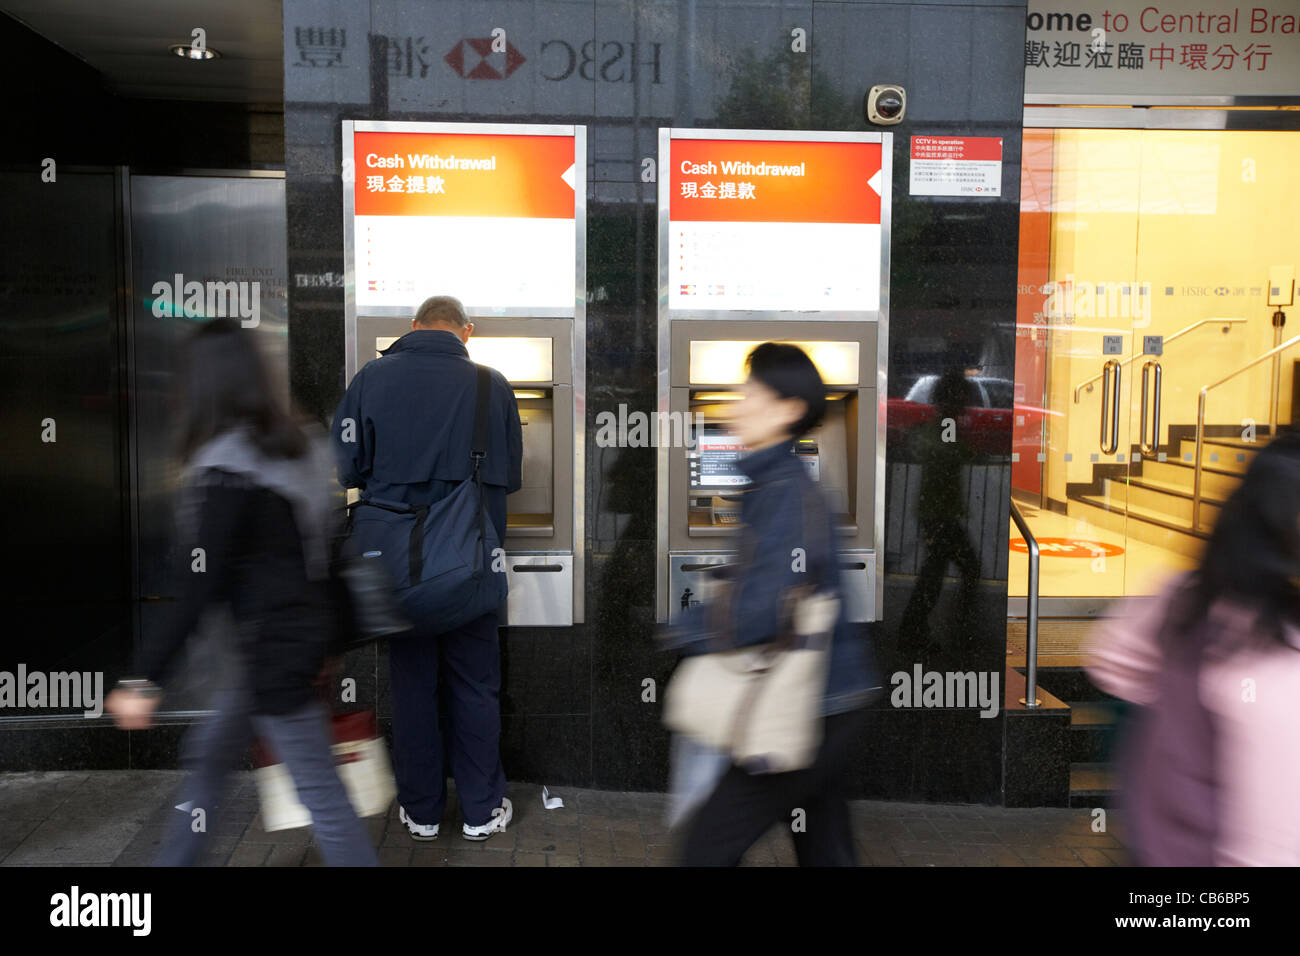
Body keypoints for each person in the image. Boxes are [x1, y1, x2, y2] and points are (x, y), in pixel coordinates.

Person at [105, 318, 378, 867]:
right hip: (279, 647)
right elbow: (322, 555)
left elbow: (199, 584)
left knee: (320, 793)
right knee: (210, 759)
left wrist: (145, 678)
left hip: (271, 655)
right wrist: (327, 647)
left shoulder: (226, 467)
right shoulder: (301, 447)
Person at [677, 342, 880, 866]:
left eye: (751, 393)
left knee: (705, 850)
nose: (737, 404)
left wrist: (683, 629)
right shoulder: (775, 481)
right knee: (825, 848)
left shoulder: (783, 490)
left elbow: (763, 608)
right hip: (829, 695)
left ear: (788, 409)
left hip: (802, 701)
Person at [332, 294, 522, 841]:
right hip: (470, 564)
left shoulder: (371, 379)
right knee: (475, 686)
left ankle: (421, 811)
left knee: (413, 689)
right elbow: (511, 476)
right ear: (467, 331)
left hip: (397, 568)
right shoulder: (492, 384)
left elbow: (346, 465)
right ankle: (482, 811)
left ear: (413, 326)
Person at [1086, 431, 1300, 866]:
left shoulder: (1184, 598)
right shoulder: (1274, 663)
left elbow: (1111, 661)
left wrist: (1176, 725)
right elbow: (1268, 850)